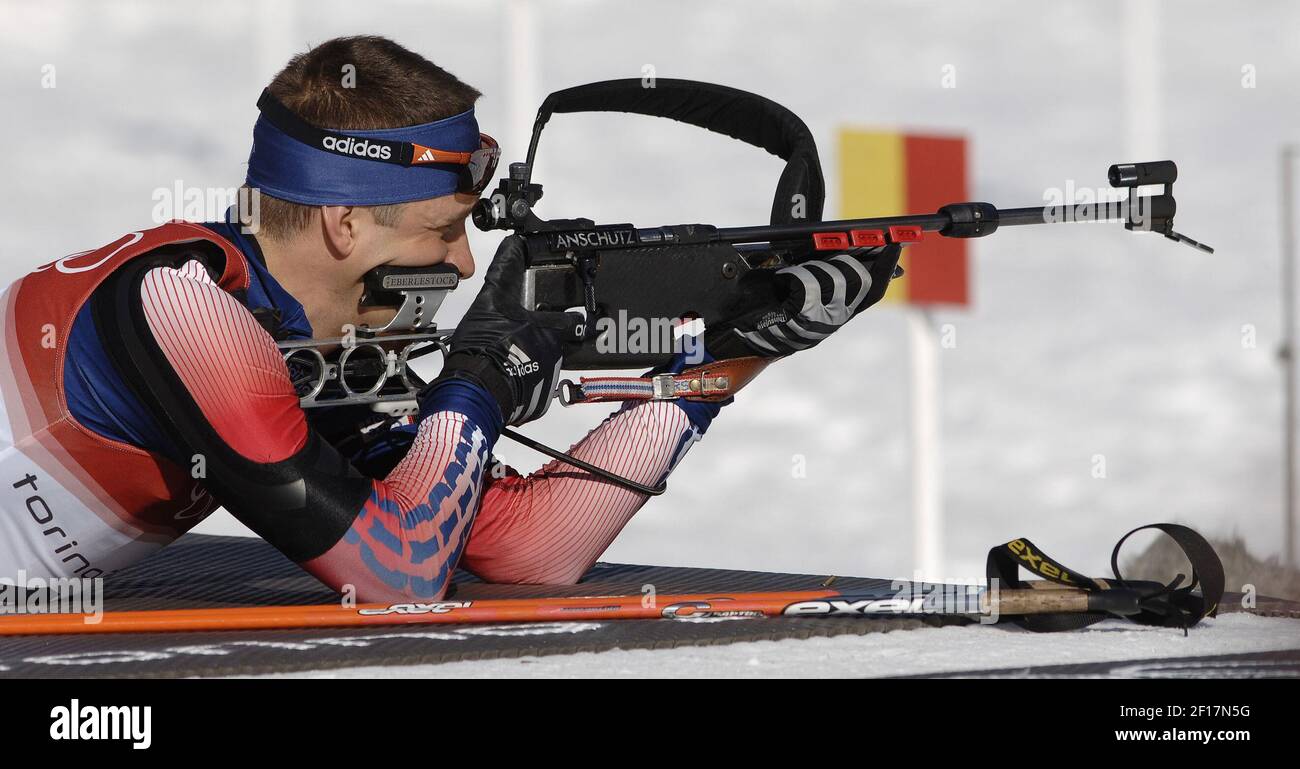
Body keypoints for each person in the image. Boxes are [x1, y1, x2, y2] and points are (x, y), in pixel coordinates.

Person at [0, 36, 897, 601]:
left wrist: (729, 358)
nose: (464, 263)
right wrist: (474, 389)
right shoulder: (187, 308)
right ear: (343, 222)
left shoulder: (314, 346)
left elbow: (527, 553)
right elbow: (393, 576)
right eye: (445, 229)